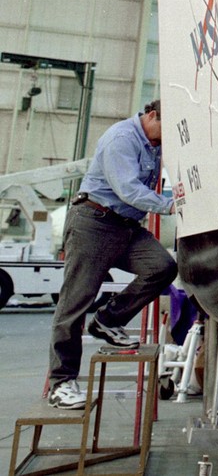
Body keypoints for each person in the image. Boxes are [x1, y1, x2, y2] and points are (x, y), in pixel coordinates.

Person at [46, 100, 176, 410]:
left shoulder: (154, 143)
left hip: (125, 227)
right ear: (153, 115)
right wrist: (172, 206)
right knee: (74, 304)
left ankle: (107, 320)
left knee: (162, 267)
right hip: (93, 223)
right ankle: (61, 383)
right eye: (167, 129)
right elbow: (128, 189)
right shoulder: (122, 139)